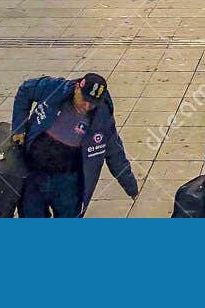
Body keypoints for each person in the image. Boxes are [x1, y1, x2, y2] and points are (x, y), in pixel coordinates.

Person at [9, 72, 140, 217]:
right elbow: (25, 90)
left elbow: (115, 153)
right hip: (34, 173)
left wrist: (131, 186)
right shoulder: (55, 88)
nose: (87, 106)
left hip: (68, 182)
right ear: (77, 87)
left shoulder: (101, 119)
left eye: (93, 103)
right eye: (84, 99)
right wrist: (18, 128)